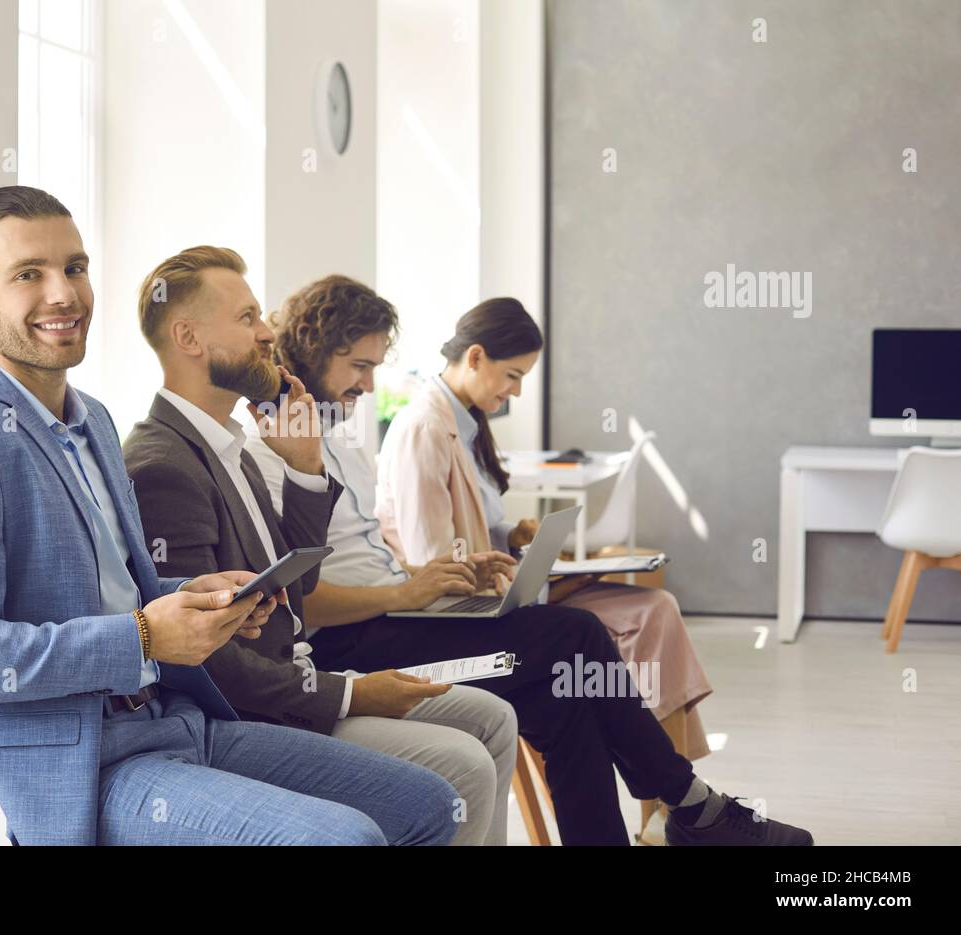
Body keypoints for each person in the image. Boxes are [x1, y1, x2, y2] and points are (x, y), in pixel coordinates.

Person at [0, 188, 457, 846]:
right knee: (344, 838)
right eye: (27, 274)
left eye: (74, 267)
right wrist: (142, 637)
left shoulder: (91, 420)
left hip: (182, 719)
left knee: (428, 803)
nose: (64, 294)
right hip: (89, 766)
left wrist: (196, 598)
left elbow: (125, 589)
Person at [246, 273, 814, 846]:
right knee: (576, 635)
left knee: (568, 699)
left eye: (373, 368)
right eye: (359, 367)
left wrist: (424, 580)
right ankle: (693, 807)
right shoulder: (274, 454)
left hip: (395, 615)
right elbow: (302, 599)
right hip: (356, 642)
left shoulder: (337, 444)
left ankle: (686, 811)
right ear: (318, 350)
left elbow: (365, 562)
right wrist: (405, 592)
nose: (370, 385)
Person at [122, 246, 517, 845]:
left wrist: (305, 468)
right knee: (460, 765)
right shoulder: (164, 465)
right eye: (248, 318)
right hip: (259, 710)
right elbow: (212, 666)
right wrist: (354, 690)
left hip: (298, 678)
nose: (265, 333)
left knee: (492, 716)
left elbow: (295, 589)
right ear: (189, 338)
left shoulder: (232, 444)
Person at [374, 297, 715, 843]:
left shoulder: (466, 423)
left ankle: (675, 806)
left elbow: (469, 531)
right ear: (477, 357)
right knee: (628, 627)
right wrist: (507, 569)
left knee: (654, 610)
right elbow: (431, 562)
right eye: (512, 376)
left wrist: (514, 537)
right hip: (461, 613)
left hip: (500, 591)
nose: (516, 392)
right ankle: (679, 803)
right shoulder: (425, 428)